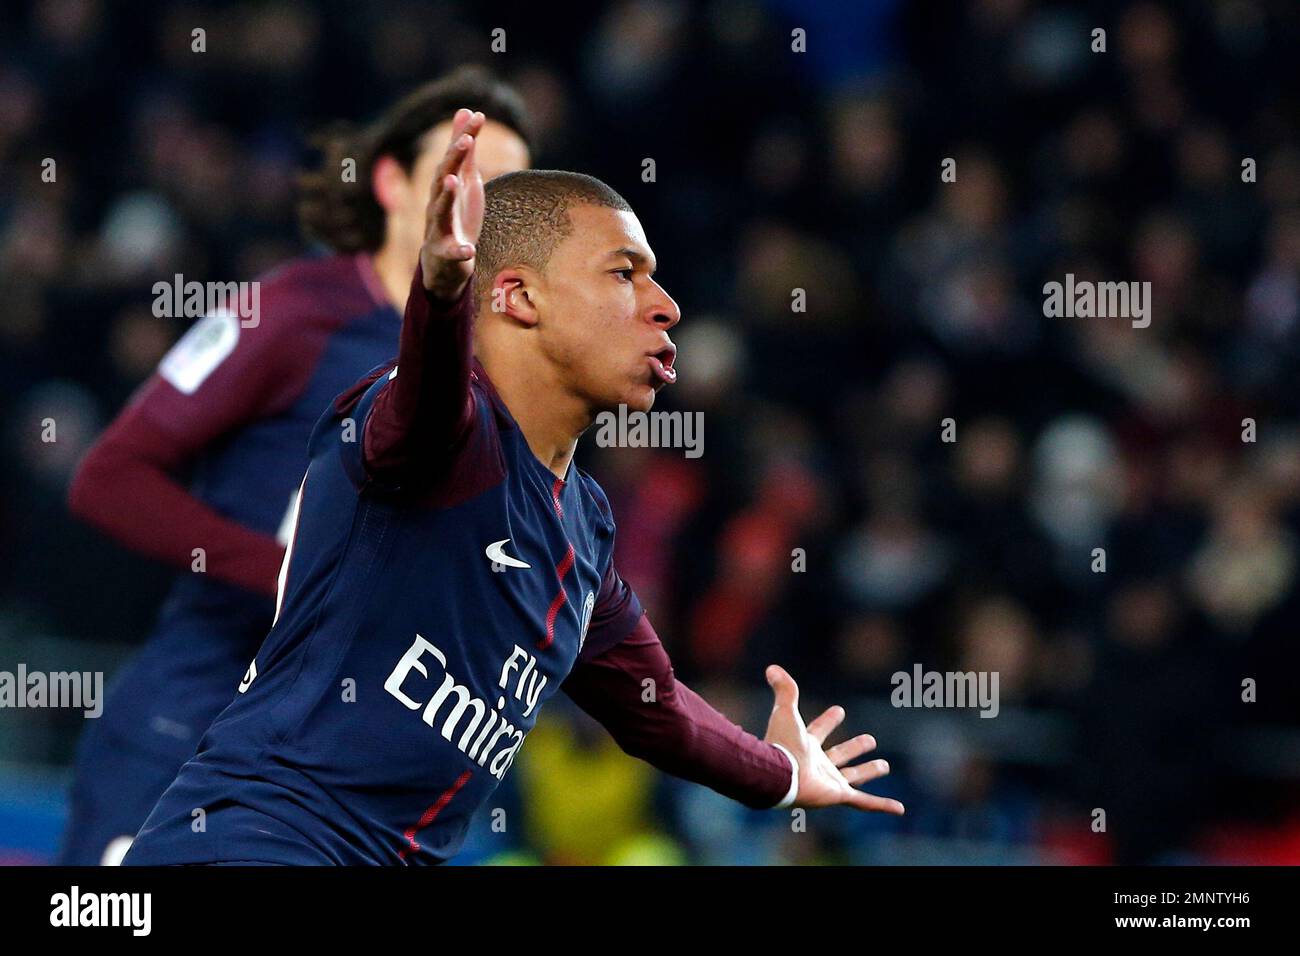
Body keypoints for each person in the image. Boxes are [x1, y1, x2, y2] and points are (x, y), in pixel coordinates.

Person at [123, 109, 905, 866]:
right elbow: (425, 407)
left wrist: (781, 776)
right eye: (623, 274)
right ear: (518, 296)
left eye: (657, 282)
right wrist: (439, 295)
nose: (664, 307)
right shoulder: (441, 430)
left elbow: (654, 708)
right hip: (256, 843)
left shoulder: (582, 529)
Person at [58, 69, 533, 865]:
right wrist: (291, 577)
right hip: (188, 725)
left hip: (341, 775)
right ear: (389, 181)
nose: (483, 203)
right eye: (462, 172)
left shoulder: (495, 371)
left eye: (510, 191)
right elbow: (109, 477)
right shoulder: (291, 309)